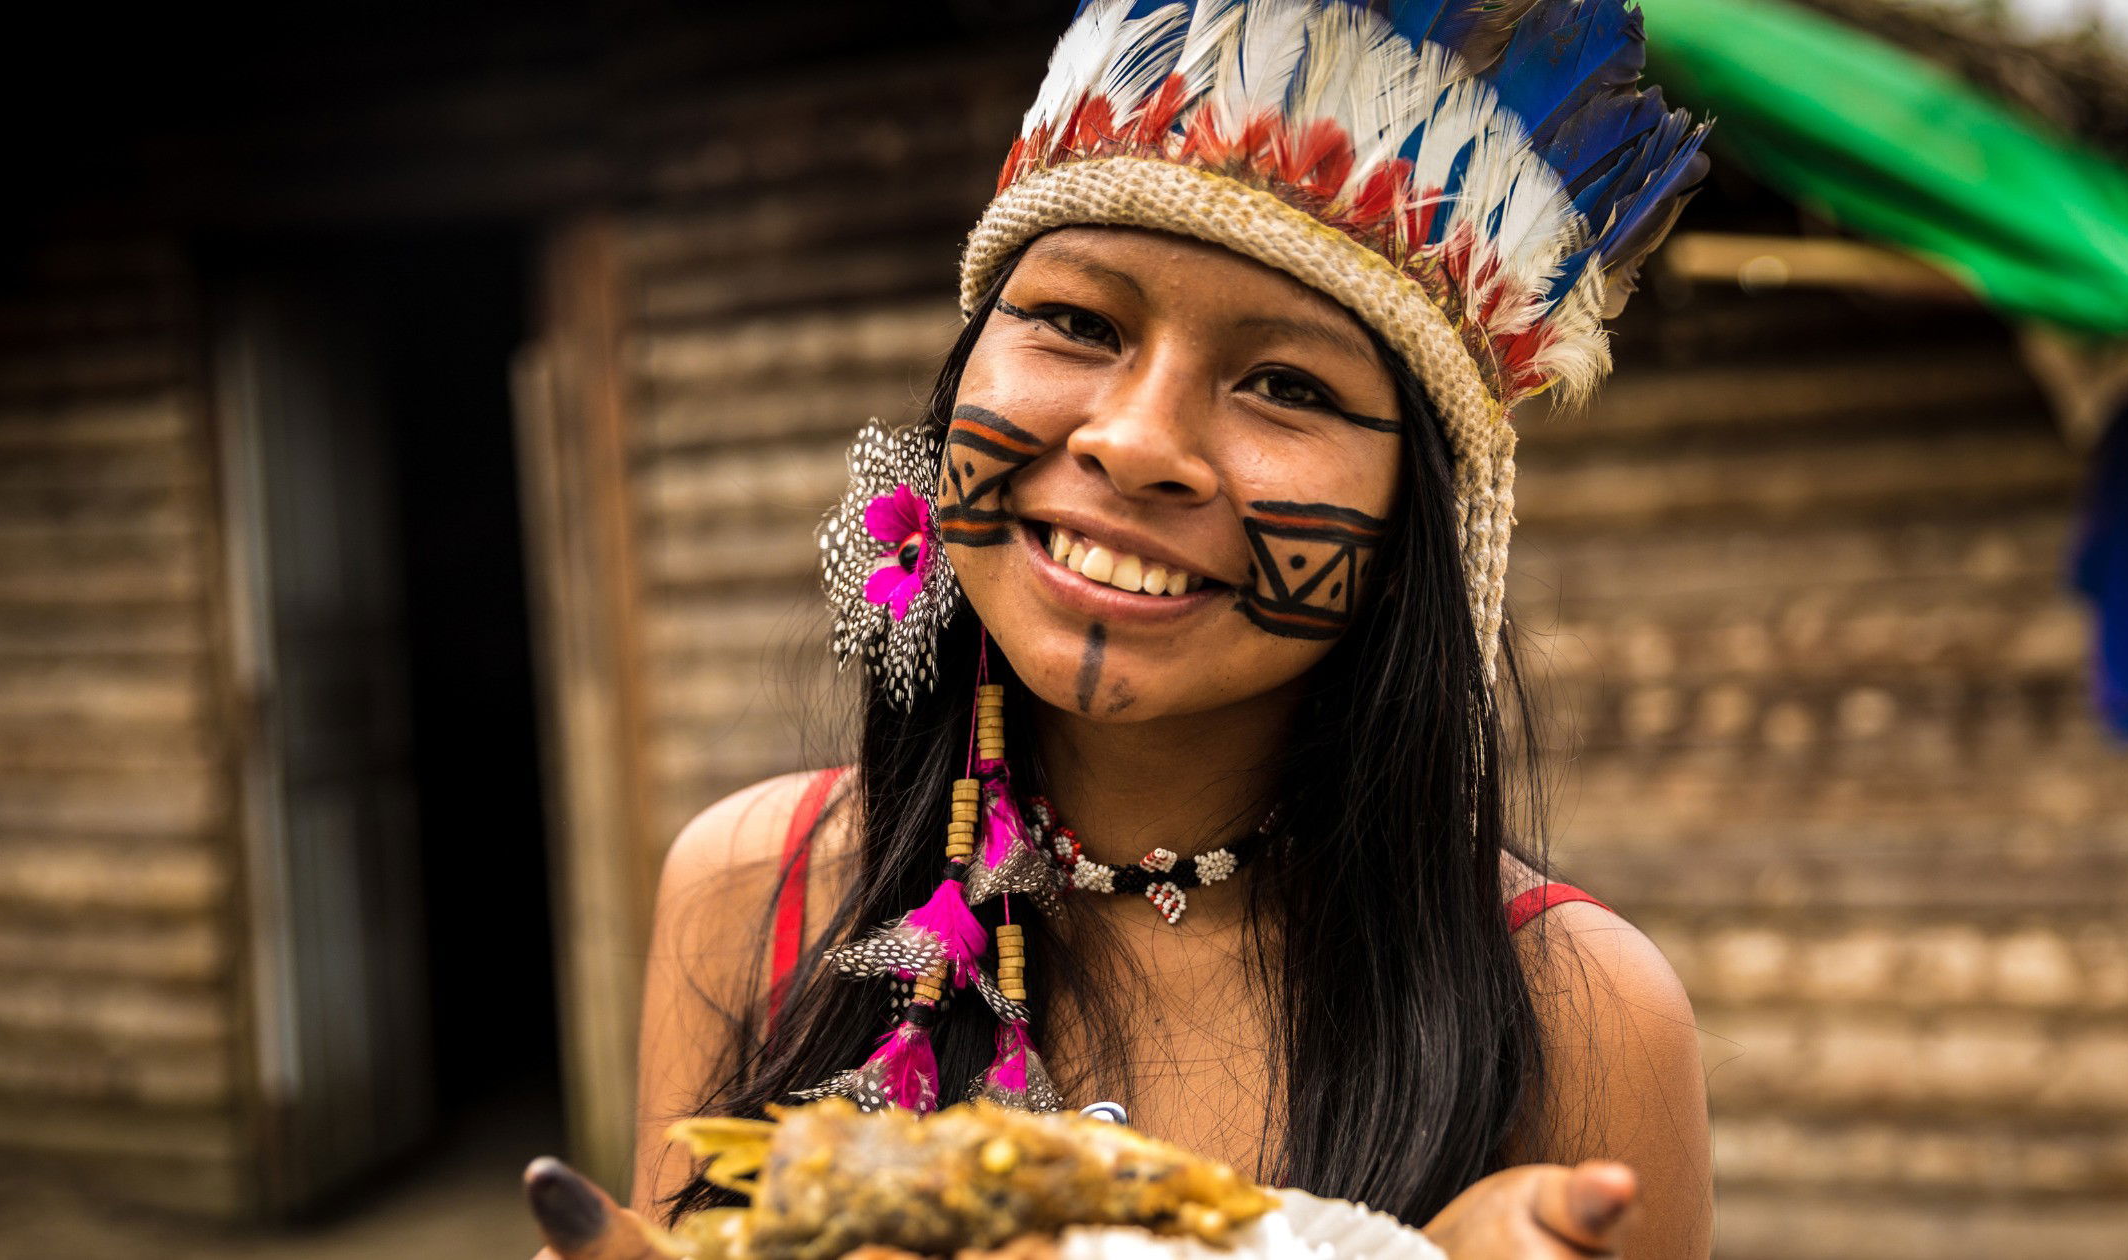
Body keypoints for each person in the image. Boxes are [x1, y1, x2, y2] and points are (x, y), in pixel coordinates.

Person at [529, 1, 1713, 1256]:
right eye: (1080, 323)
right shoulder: (748, 890)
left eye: (1288, 385)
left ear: (1417, 530)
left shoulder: (1581, 1019)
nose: (1137, 443)